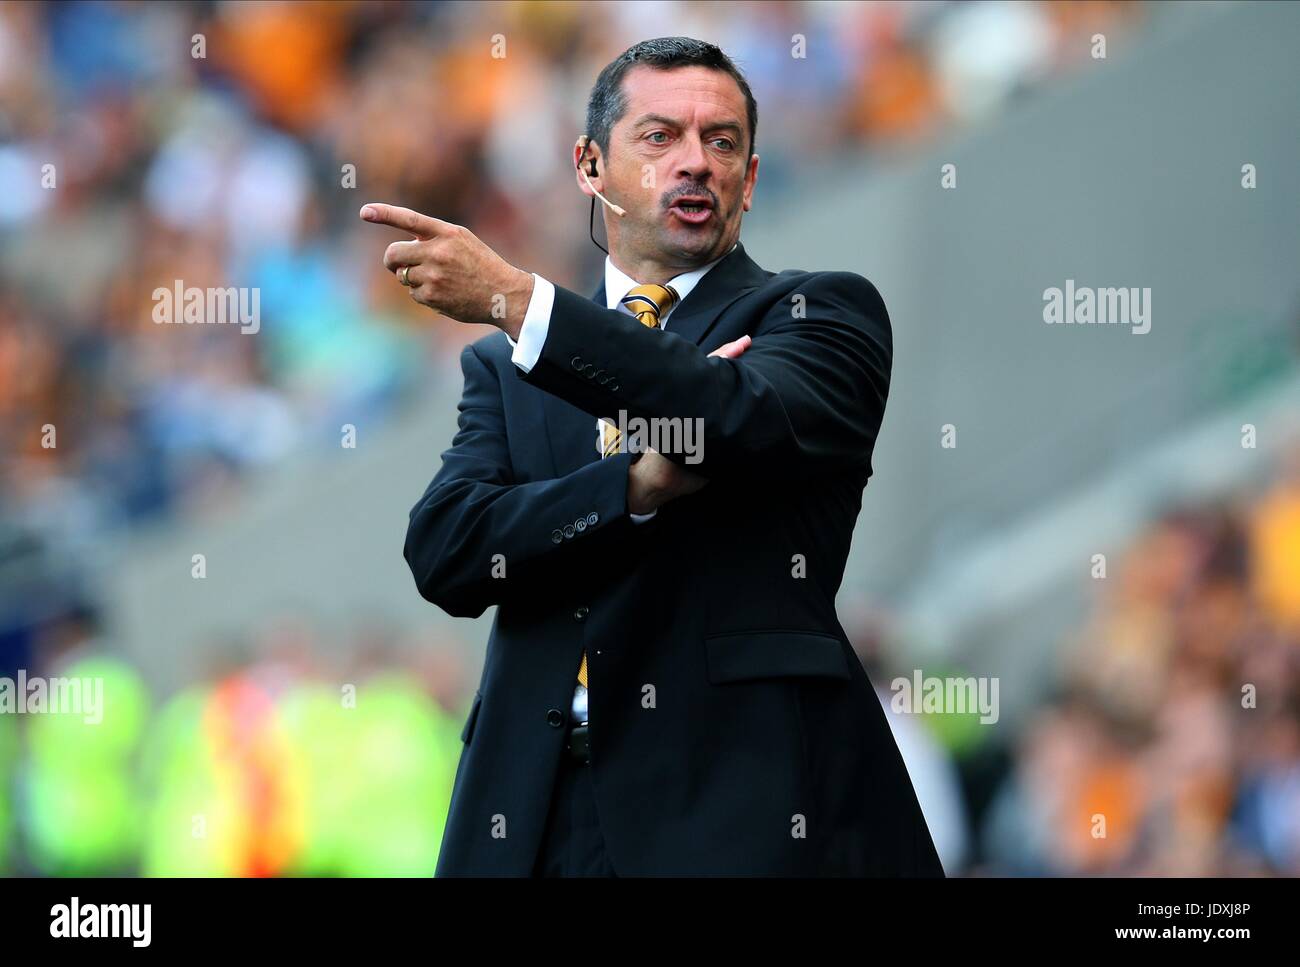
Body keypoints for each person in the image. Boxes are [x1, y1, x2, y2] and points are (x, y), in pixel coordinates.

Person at [364, 36, 943, 876]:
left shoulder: (819, 314)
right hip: (532, 812)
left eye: (722, 142)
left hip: (739, 802)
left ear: (749, 178)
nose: (696, 163)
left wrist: (521, 301)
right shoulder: (506, 364)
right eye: (660, 136)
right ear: (590, 166)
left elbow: (724, 416)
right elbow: (448, 550)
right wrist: (631, 488)